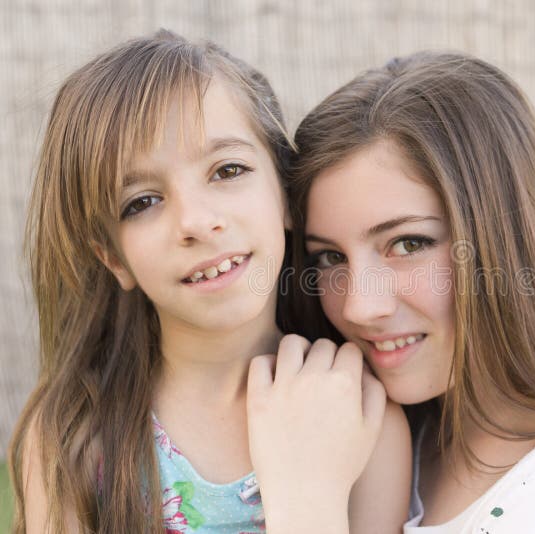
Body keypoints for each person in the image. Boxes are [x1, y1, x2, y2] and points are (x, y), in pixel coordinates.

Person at [8, 30, 410, 534]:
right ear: (114, 258)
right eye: (143, 202)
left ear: (285, 193)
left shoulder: (357, 412)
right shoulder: (76, 433)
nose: (196, 221)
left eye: (228, 169)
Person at [286, 51, 535, 533]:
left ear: (505, 241)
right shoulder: (370, 439)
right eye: (330, 258)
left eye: (408, 244)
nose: (359, 306)